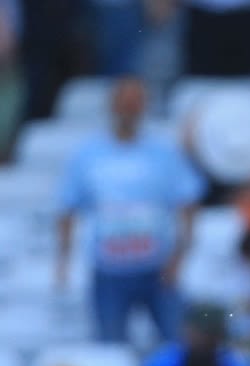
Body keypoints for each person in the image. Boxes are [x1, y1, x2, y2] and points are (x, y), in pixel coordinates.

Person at [55, 76, 205, 343]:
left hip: (158, 270)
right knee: (110, 349)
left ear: (144, 106)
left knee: (177, 346)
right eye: (124, 102)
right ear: (112, 105)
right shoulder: (87, 154)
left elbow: (189, 203)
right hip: (109, 271)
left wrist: (179, 258)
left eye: (135, 102)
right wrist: (63, 263)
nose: (129, 109)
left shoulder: (164, 153)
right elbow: (67, 208)